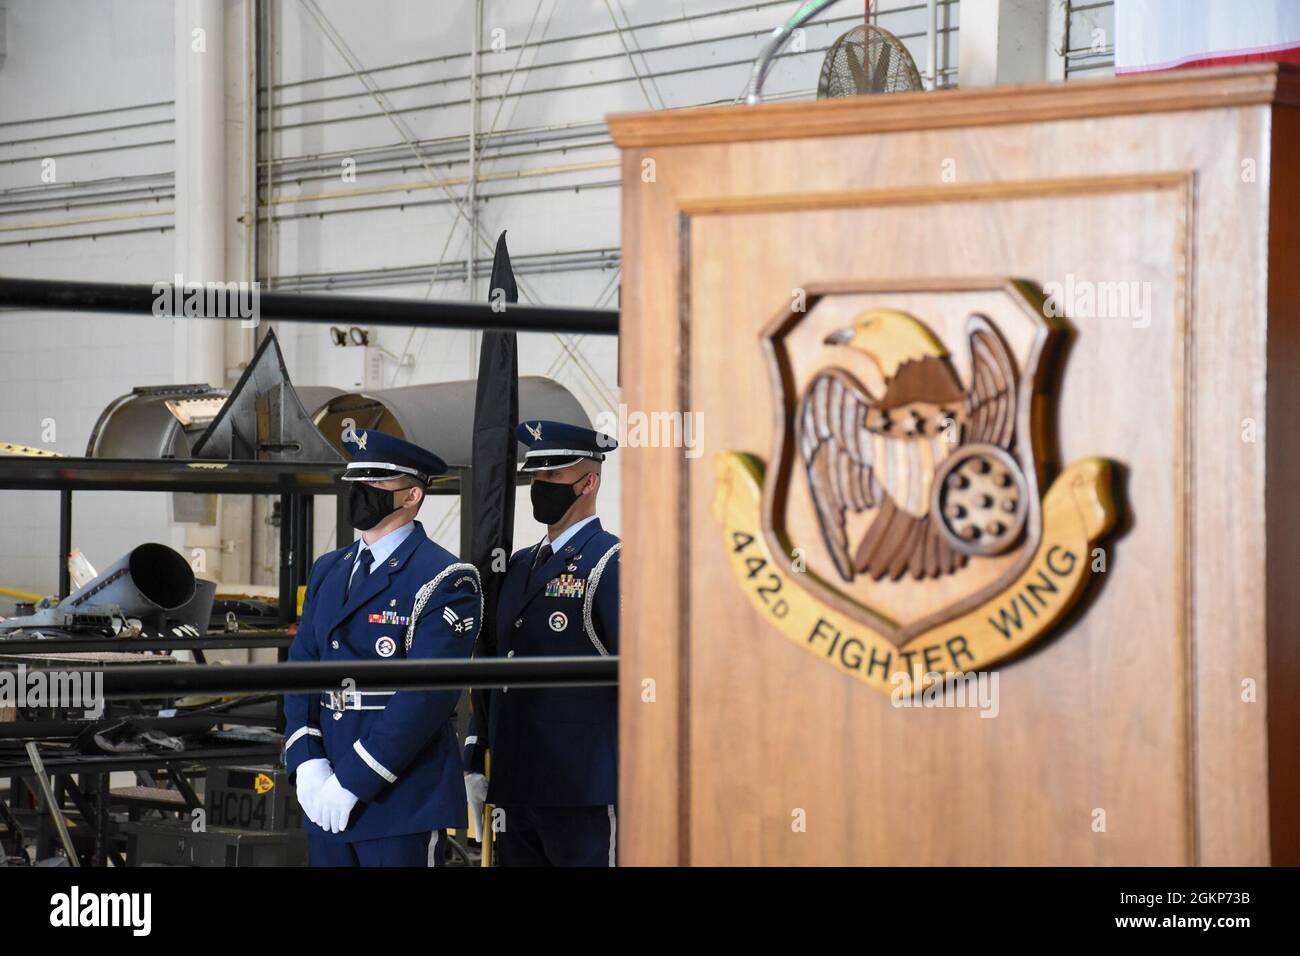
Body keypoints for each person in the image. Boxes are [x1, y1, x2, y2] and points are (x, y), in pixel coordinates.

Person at [284, 428, 481, 867]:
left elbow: (426, 696)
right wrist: (307, 761)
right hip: (325, 793)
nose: (360, 493)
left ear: (412, 495)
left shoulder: (446, 577)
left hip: (399, 797)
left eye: (375, 483)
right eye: (355, 482)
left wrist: (352, 782)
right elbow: (300, 668)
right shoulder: (328, 569)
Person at [465, 419, 620, 866]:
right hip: (515, 782)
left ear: (588, 482)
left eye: (553, 475)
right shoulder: (516, 567)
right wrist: (476, 753)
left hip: (581, 788)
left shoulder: (610, 563)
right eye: (535, 475)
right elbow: (493, 665)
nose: (540, 485)